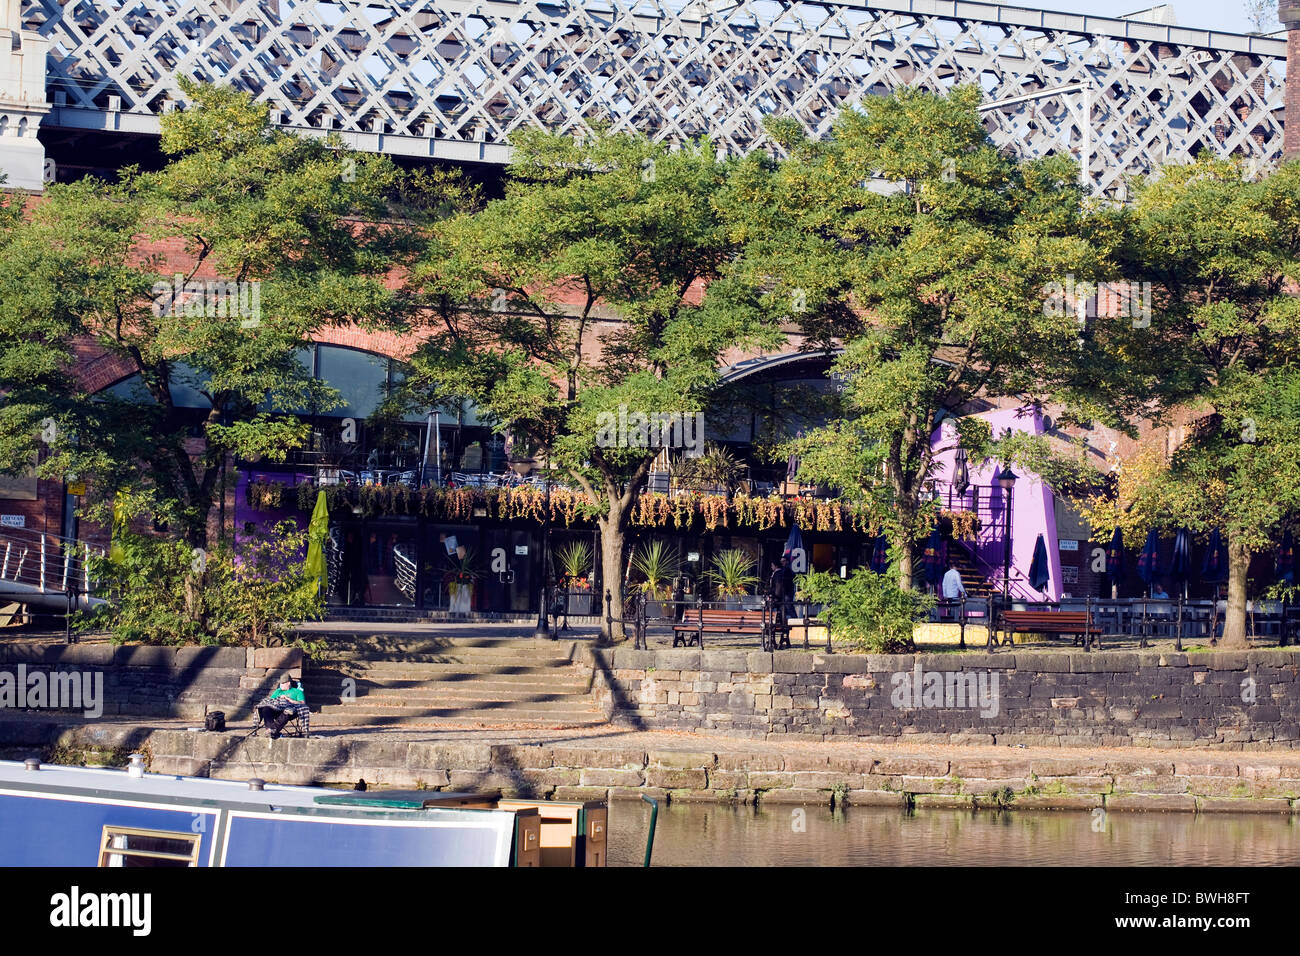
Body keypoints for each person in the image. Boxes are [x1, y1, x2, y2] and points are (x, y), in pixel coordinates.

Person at [256, 674, 309, 740]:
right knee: (265, 709)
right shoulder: (278, 691)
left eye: (282, 683)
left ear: (288, 683)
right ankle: (271, 730)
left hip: (290, 711)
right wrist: (279, 698)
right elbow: (270, 701)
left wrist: (289, 699)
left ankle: (272, 730)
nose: (280, 685)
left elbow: (302, 703)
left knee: (287, 711)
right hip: (276, 709)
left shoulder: (297, 691)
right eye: (280, 683)